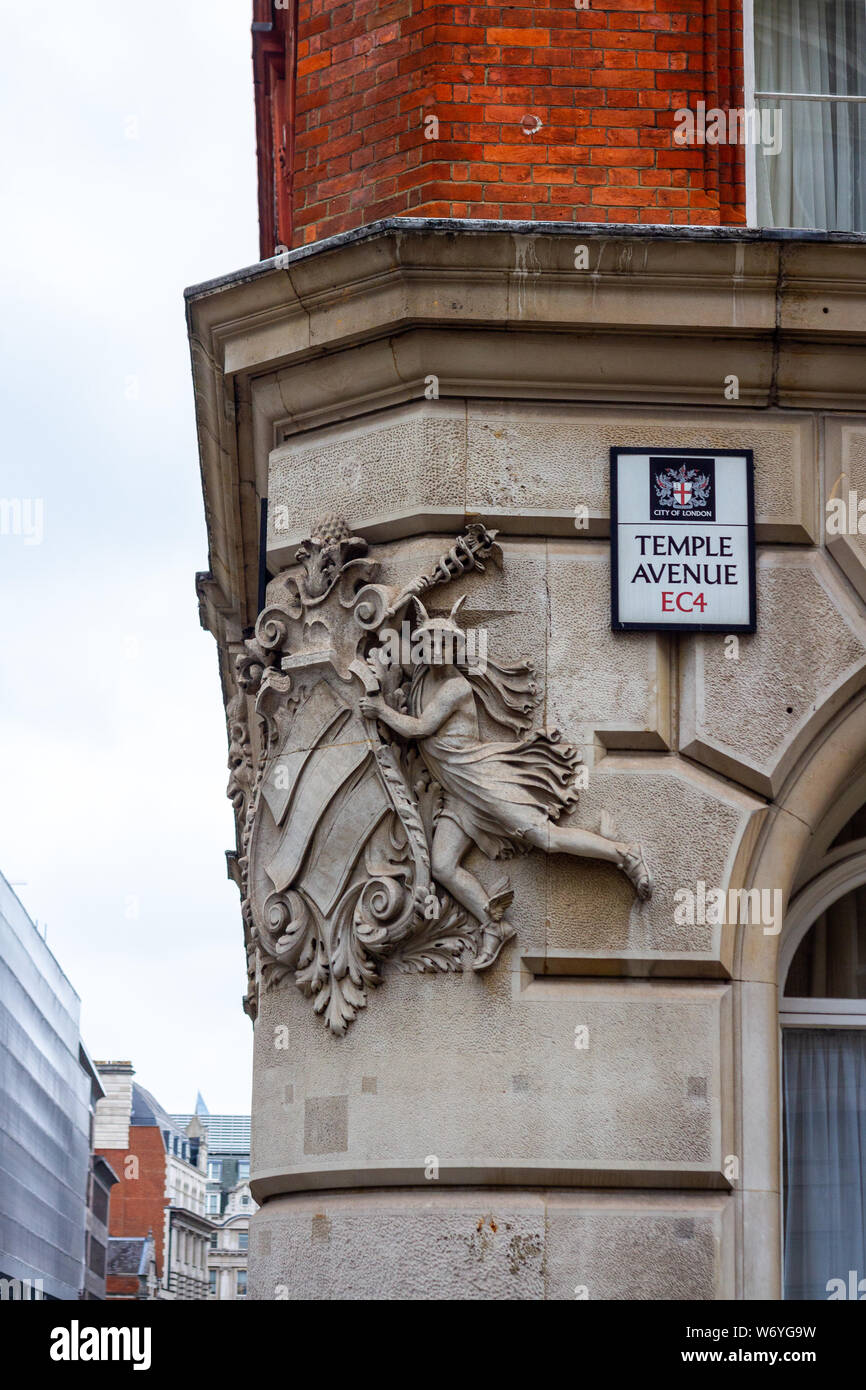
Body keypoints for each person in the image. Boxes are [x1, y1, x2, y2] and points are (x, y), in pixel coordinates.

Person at [359, 597, 652, 969]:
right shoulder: (422, 685)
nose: (433, 649)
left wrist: (380, 709)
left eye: (441, 643)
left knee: (545, 838)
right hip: (460, 795)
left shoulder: (454, 688)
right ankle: (493, 924)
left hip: (482, 780)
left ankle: (624, 854)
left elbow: (419, 729)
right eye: (427, 642)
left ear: (453, 650)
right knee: (442, 866)